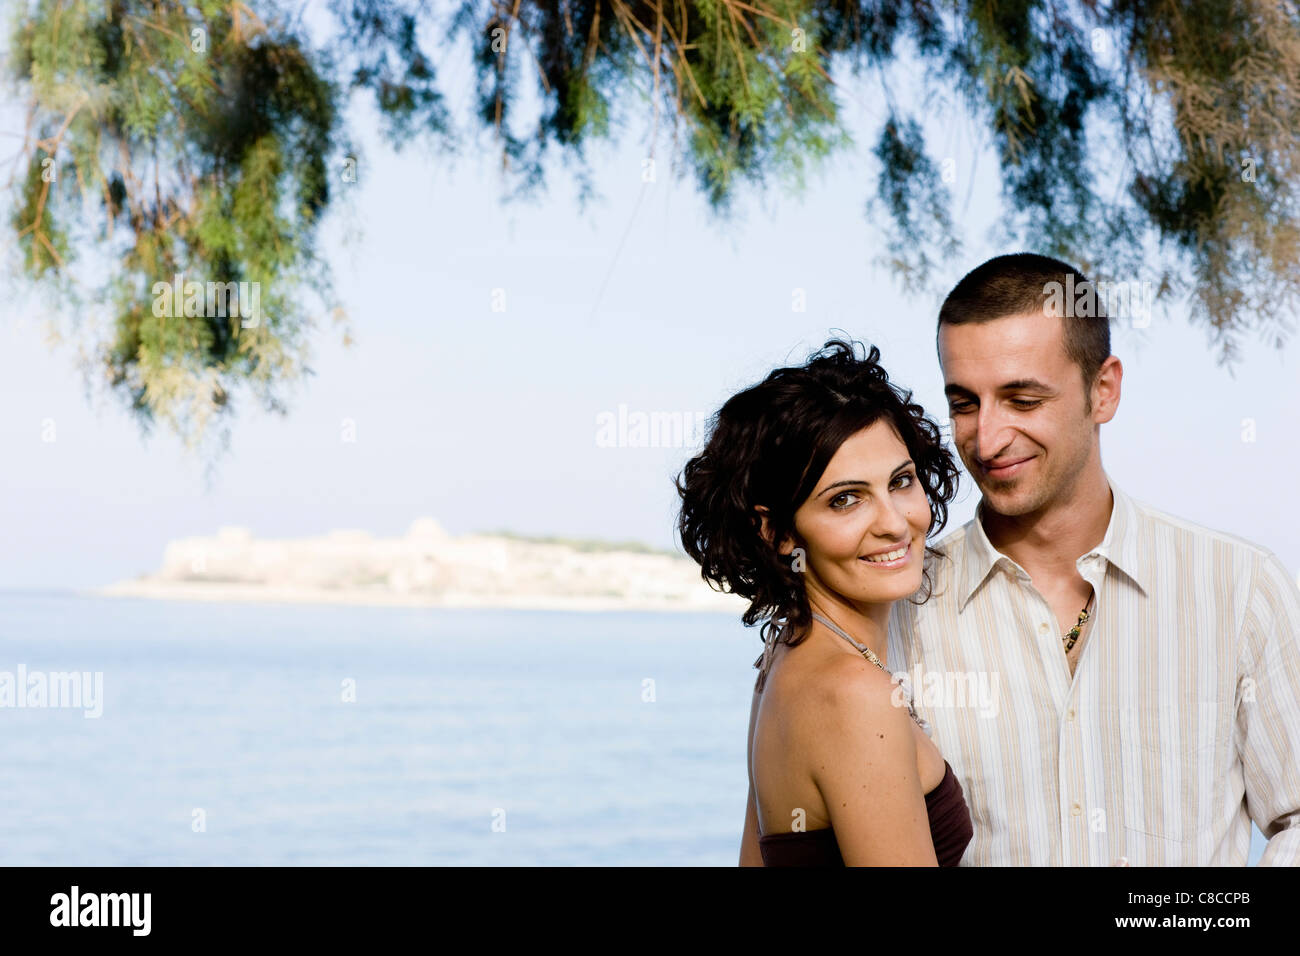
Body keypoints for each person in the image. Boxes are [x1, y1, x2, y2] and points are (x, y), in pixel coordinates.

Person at [886, 252, 1300, 865]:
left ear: (1103, 390)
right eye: (965, 403)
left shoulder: (1239, 589)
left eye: (1022, 400)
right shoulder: (900, 611)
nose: (988, 438)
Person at [676, 339, 973, 865]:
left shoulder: (781, 660)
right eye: (846, 499)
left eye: (901, 482)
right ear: (777, 532)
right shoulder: (852, 692)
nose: (893, 521)